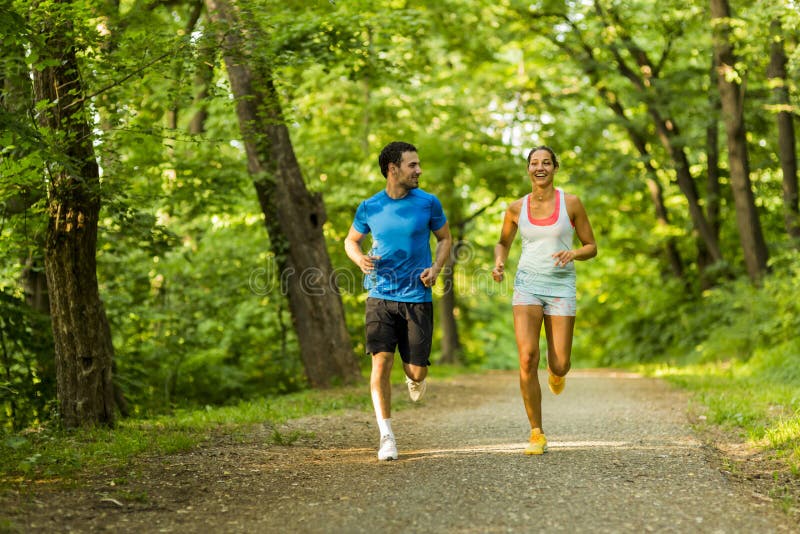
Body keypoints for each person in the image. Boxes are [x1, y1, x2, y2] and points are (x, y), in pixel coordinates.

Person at [344, 141, 452, 461]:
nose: (419, 171)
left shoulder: (428, 203)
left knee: (416, 371)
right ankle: (387, 436)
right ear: (393, 169)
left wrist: (435, 268)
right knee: (381, 362)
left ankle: (413, 375)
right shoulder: (370, 206)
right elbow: (351, 241)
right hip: (379, 294)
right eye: (412, 165)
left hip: (417, 296)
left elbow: (445, 238)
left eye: (418, 165)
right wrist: (359, 258)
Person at [492, 145, 597, 455]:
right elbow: (502, 242)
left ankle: (557, 372)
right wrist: (499, 263)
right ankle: (536, 432)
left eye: (546, 162)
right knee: (527, 358)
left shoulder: (572, 203)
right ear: (528, 169)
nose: (540, 167)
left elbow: (592, 246)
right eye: (535, 163)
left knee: (561, 363)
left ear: (555, 168)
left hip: (561, 286)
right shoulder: (515, 208)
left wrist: (574, 252)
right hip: (527, 286)